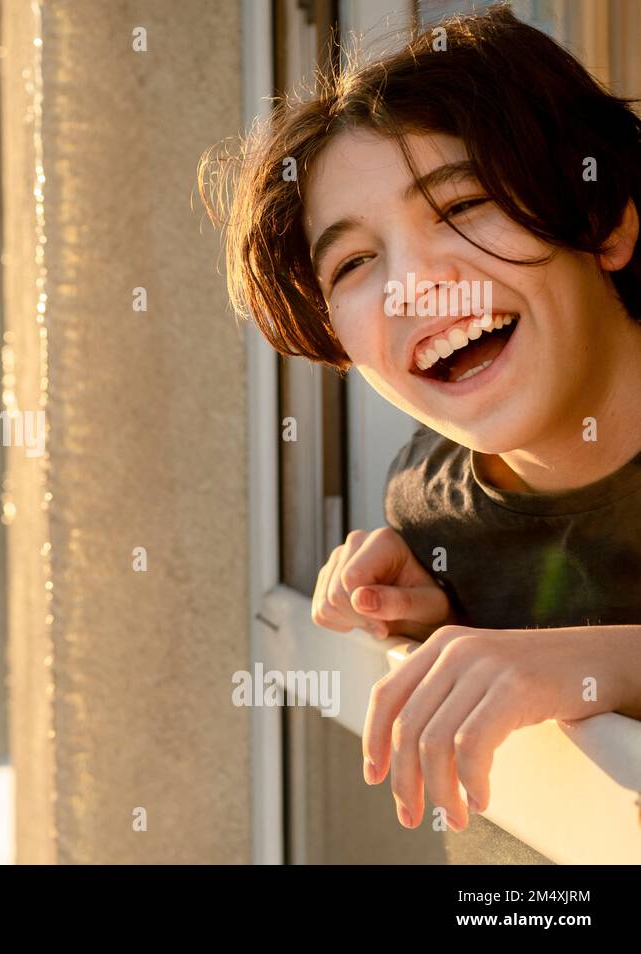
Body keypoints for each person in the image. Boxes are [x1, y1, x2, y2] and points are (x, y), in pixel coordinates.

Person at [201, 4, 641, 832]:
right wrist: (442, 614)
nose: (412, 285)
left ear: (603, 218)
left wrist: (591, 664)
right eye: (357, 261)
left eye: (462, 204)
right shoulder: (426, 504)